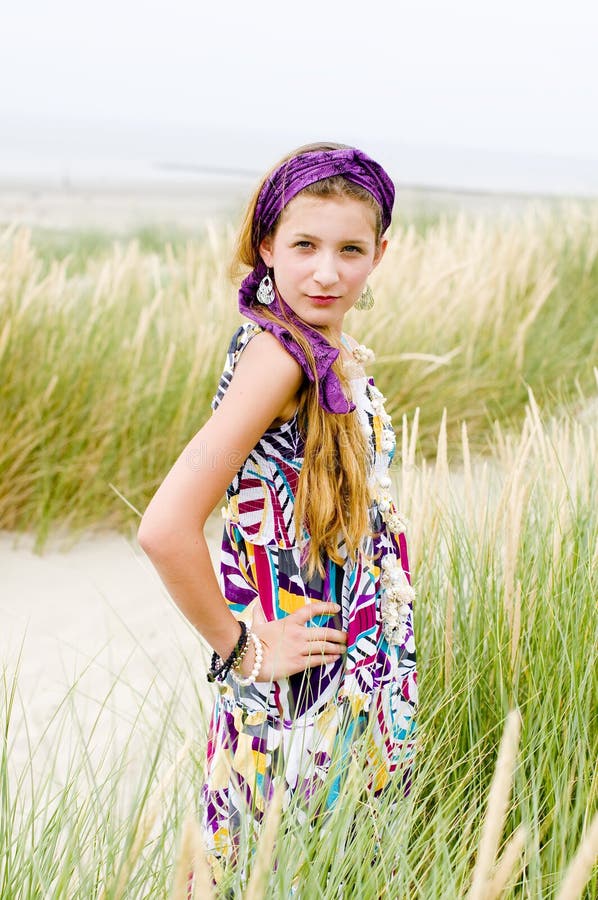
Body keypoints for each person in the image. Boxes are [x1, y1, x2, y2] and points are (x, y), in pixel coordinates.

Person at [137, 142, 417, 882]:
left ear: (380, 254)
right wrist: (242, 649)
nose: (327, 272)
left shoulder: (316, 343)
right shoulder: (281, 357)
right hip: (302, 685)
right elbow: (165, 529)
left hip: (338, 674)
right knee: (294, 870)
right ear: (266, 246)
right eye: (304, 245)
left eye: (350, 249)